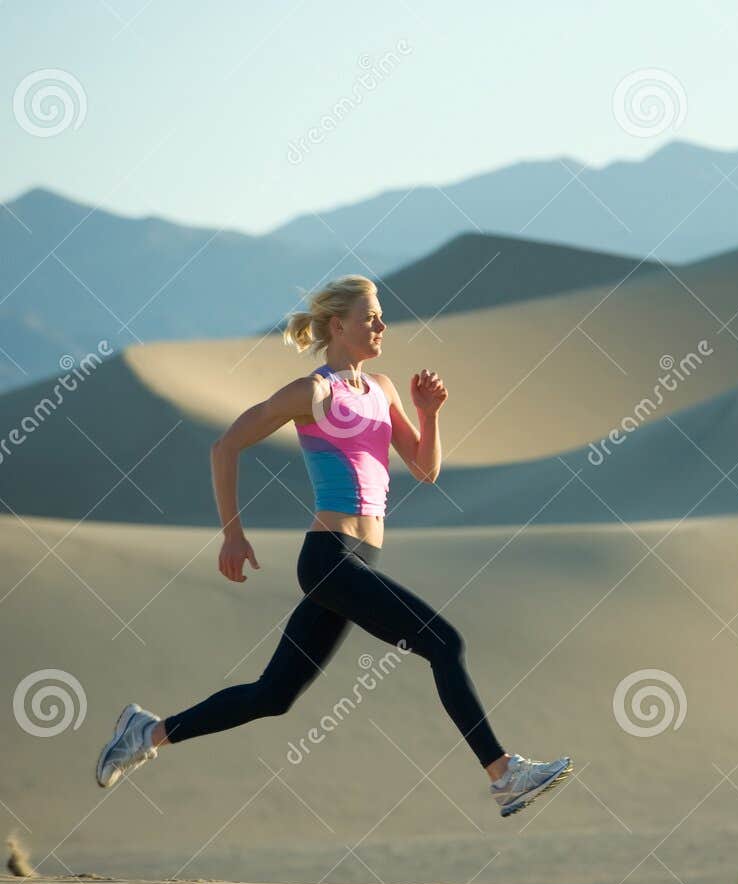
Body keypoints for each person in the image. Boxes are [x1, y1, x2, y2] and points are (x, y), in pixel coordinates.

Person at [94, 275, 572, 818]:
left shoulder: (384, 390)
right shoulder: (315, 392)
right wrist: (233, 531)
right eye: (371, 317)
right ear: (338, 325)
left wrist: (429, 413)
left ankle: (146, 733)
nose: (381, 326)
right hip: (329, 558)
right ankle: (503, 773)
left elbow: (425, 469)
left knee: (273, 696)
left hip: (357, 560)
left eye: (381, 316)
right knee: (444, 642)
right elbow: (225, 445)